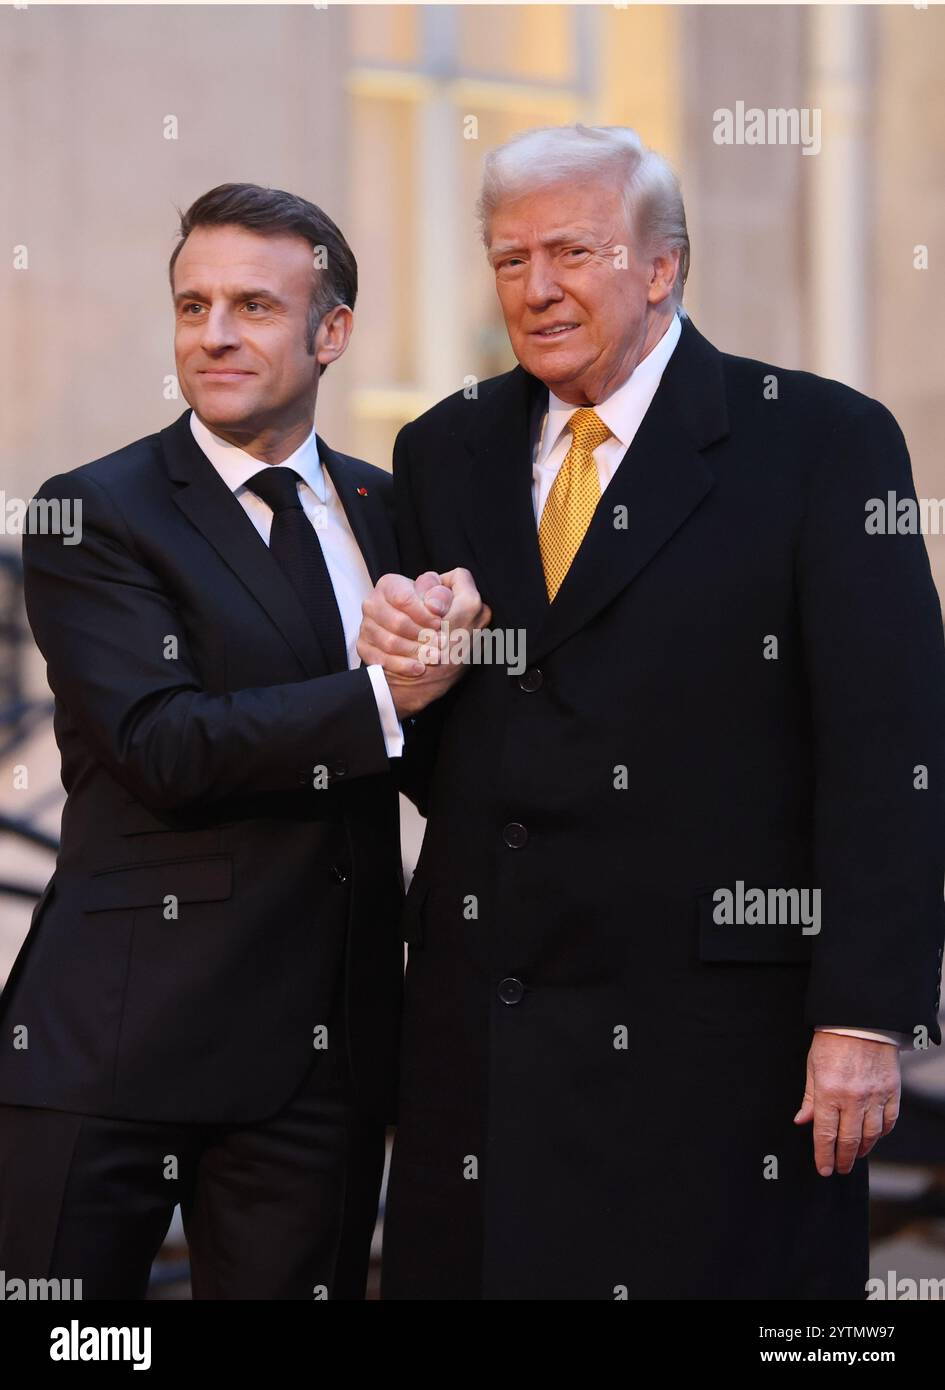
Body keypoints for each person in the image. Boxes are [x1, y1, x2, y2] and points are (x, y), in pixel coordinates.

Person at [357, 124, 945, 1299]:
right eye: (510, 258)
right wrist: (404, 674)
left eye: (571, 251)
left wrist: (869, 1018)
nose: (537, 288)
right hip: (489, 1032)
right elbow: (449, 754)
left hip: (724, 1040)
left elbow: (893, 752)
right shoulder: (443, 450)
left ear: (662, 265)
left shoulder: (821, 439)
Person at [0, 182, 450, 1299]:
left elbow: (447, 748)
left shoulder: (388, 510)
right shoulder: (95, 511)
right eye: (192, 304)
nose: (213, 334)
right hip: (117, 1044)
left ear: (331, 330)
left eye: (252, 304)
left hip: (323, 1061)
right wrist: (388, 694)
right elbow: (163, 741)